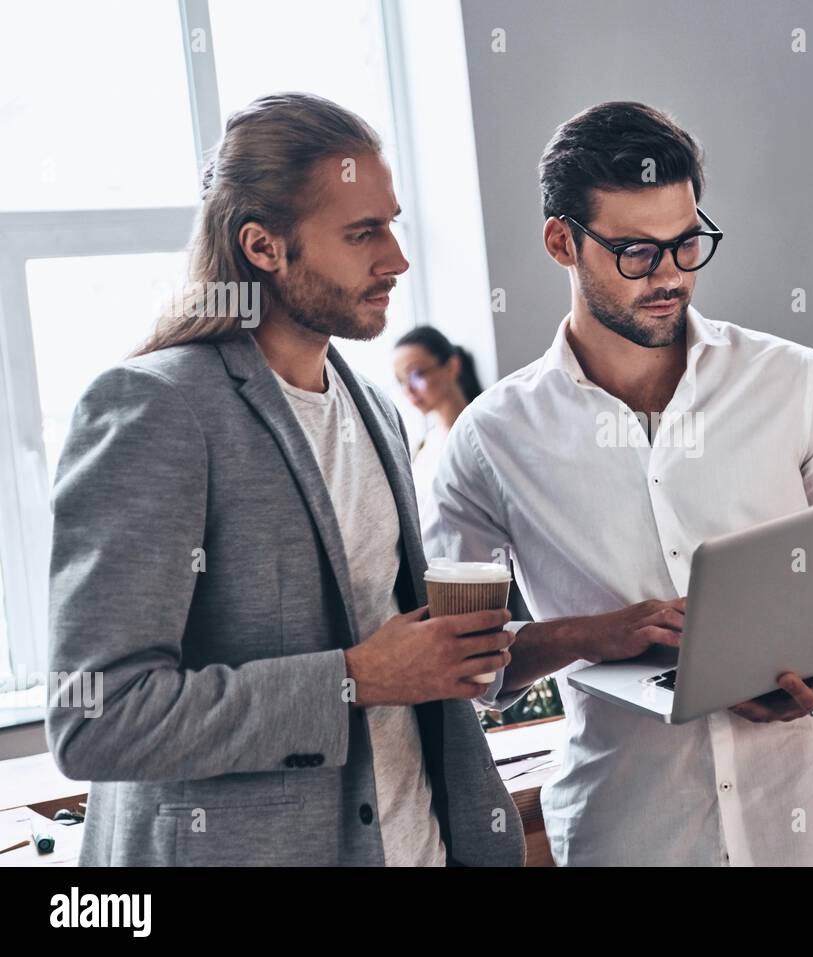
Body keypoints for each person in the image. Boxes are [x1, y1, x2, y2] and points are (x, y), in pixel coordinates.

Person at [45, 92, 523, 867]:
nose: (396, 258)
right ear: (264, 246)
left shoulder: (373, 406)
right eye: (363, 232)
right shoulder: (155, 410)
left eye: (393, 223)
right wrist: (354, 679)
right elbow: (97, 719)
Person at [424, 101, 813, 866]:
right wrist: (591, 635)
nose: (671, 276)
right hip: (628, 834)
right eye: (637, 254)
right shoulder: (491, 439)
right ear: (561, 242)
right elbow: (457, 664)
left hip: (809, 830)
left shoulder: (799, 385)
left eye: (687, 245)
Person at [393, 326, 483, 520]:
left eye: (416, 375)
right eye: (401, 381)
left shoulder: (482, 434)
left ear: (451, 367)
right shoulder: (422, 447)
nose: (408, 389)